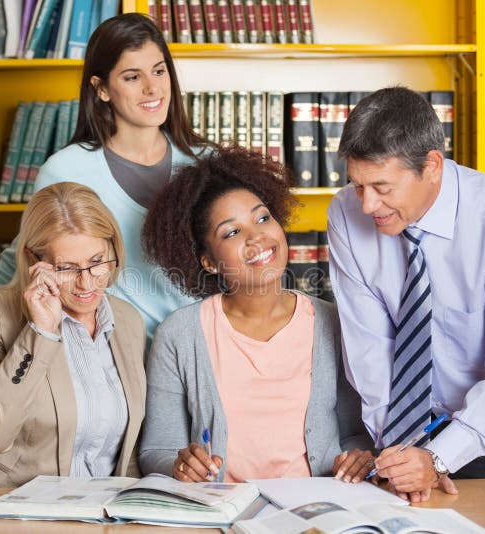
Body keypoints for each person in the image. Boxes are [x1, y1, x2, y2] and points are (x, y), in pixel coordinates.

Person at [0, 12, 212, 369]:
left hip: (199, 359)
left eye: (159, 71)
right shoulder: (66, 170)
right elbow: (19, 264)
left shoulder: (207, 164)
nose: (152, 88)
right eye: (132, 76)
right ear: (102, 88)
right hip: (111, 366)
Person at [328, 87, 485, 503]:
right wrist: (399, 455)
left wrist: (439, 458)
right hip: (397, 422)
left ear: (431, 166)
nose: (367, 204)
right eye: (357, 185)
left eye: (381, 186)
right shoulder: (344, 213)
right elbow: (368, 347)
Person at [139, 148, 374, 483]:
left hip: (312, 510)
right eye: (231, 232)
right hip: (222, 512)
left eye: (263, 218)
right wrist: (179, 466)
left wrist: (356, 459)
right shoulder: (179, 334)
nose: (257, 237)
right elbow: (157, 450)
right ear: (208, 261)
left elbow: (355, 435)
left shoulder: (332, 324)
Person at [0, 183, 145, 487]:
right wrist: (40, 332)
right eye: (66, 268)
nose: (86, 283)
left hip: (97, 511)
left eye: (96, 262)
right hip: (3, 505)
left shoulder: (127, 321)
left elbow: (125, 451)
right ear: (32, 260)